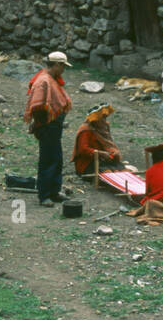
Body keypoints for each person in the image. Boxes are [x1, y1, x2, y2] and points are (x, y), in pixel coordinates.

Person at [25, 51, 72, 207]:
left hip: (53, 126)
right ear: (57, 65)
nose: (64, 70)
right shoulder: (43, 81)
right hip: (47, 126)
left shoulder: (51, 79)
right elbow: (37, 105)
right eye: (63, 66)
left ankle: (54, 191)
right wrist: (43, 124)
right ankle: (44, 194)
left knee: (57, 159)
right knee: (47, 160)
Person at [72, 103, 124, 175]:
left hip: (103, 159)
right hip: (88, 163)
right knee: (108, 173)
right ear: (94, 120)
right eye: (102, 118)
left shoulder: (104, 127)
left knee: (122, 169)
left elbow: (109, 144)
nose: (104, 121)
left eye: (105, 118)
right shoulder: (86, 130)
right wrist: (100, 153)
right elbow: (83, 150)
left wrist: (113, 152)